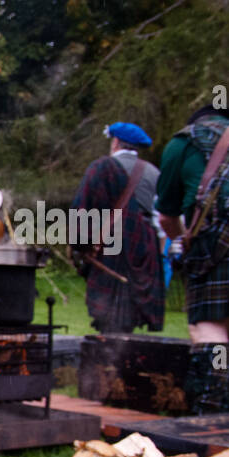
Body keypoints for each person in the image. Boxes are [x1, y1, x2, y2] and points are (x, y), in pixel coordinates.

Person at [156, 104, 229, 413]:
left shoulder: (184, 141)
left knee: (210, 329)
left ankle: (211, 411)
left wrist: (185, 242)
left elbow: (166, 217)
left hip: (215, 242)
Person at [70, 121, 165, 334]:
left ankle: (110, 350)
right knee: (129, 312)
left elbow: (82, 209)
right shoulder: (154, 173)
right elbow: (160, 221)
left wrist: (80, 245)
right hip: (144, 249)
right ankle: (122, 348)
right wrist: (158, 255)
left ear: (115, 142)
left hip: (111, 247)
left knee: (109, 314)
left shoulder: (100, 167)